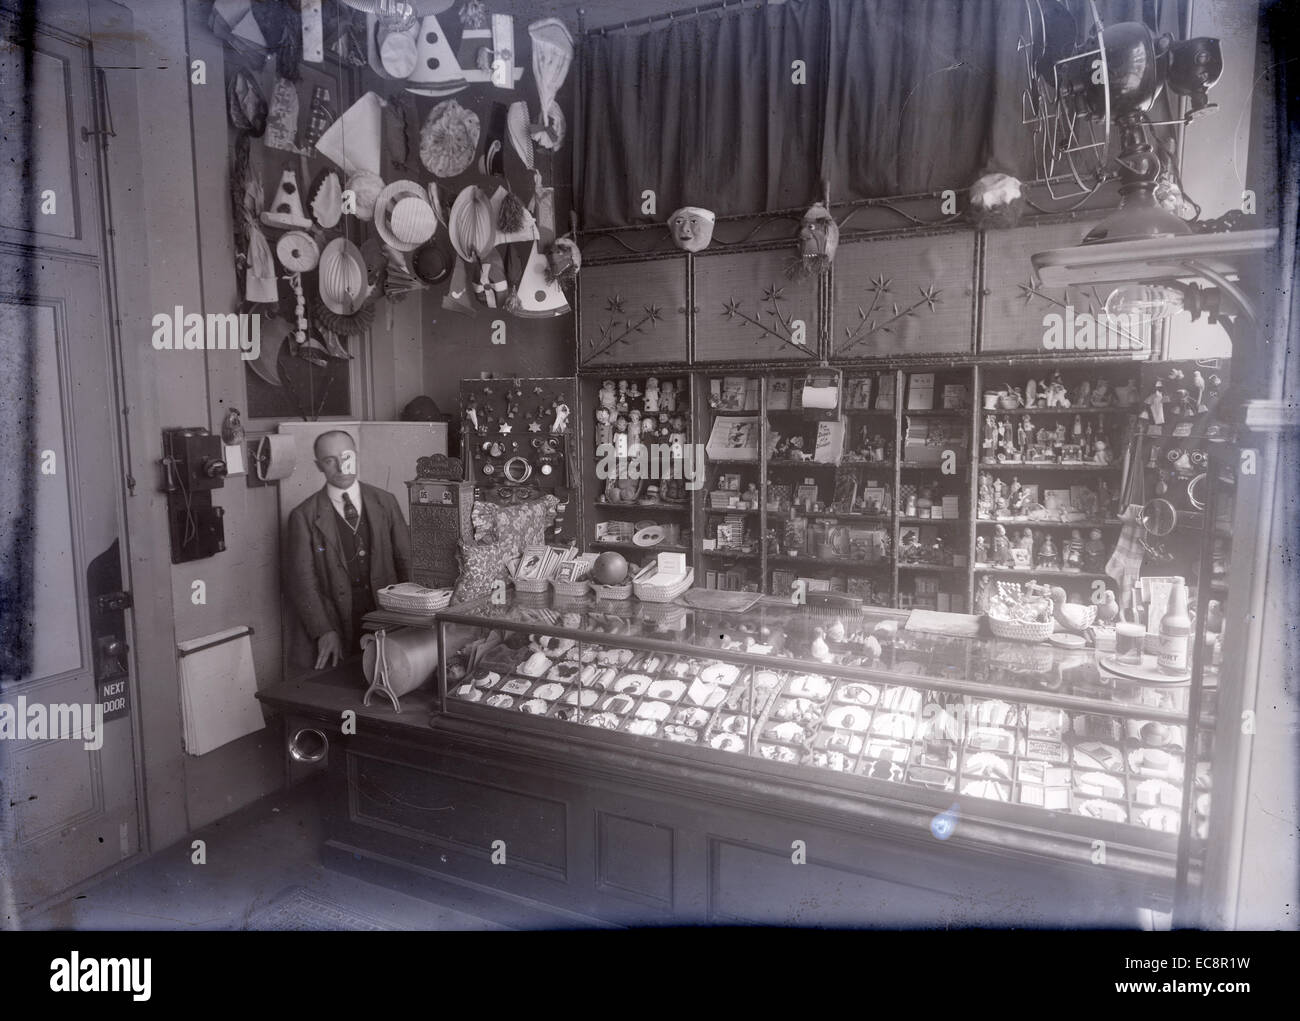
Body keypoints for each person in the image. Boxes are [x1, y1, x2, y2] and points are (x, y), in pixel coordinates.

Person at [285, 430, 412, 671]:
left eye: (346, 457)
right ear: (318, 466)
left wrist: (412, 620)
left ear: (357, 455)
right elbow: (302, 583)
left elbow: (406, 562)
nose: (341, 467)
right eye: (329, 460)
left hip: (388, 616)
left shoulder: (385, 501)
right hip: (337, 624)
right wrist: (324, 630)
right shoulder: (303, 516)